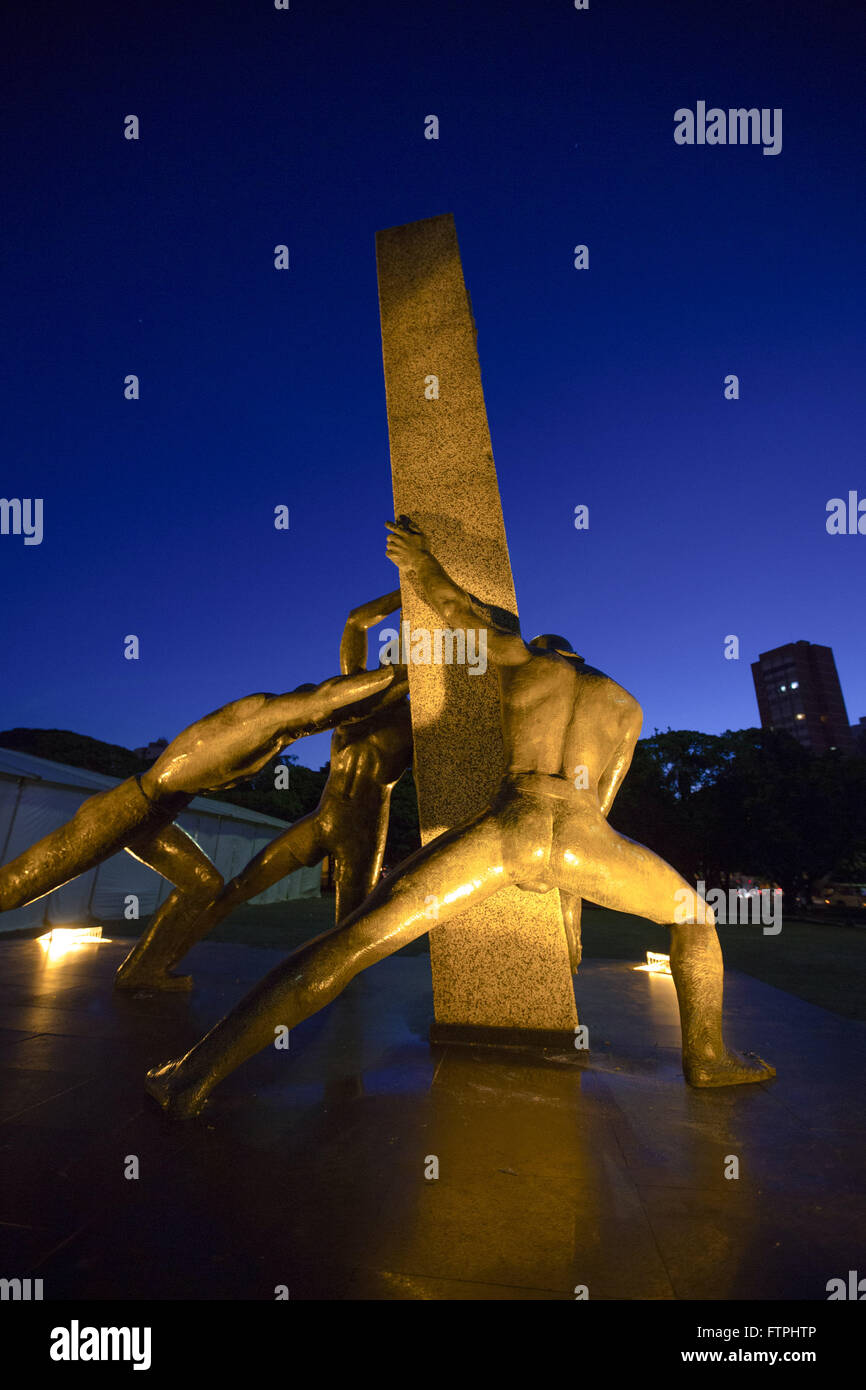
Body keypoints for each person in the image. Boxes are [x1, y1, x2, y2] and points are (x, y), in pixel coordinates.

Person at [145, 519, 774, 1115]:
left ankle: (192, 1075)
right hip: (583, 839)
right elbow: (601, 808)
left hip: (511, 826)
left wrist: (418, 564)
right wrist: (569, 913)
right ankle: (708, 1058)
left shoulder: (526, 663)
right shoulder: (627, 707)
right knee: (693, 917)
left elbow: (454, 611)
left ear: (546, 647)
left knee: (354, 941)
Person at [0, 667, 399, 989]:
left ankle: (143, 970)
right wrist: (405, 676)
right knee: (17, 887)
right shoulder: (262, 717)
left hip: (154, 818)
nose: (328, 723)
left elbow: (325, 704)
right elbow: (326, 700)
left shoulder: (268, 723)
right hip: (122, 810)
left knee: (204, 884)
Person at [115, 591, 411, 989]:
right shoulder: (352, 696)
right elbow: (357, 621)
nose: (394, 660)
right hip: (323, 820)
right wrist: (407, 592)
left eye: (405, 656)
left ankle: (338, 1003)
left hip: (365, 835)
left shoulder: (416, 725)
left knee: (348, 930)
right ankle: (148, 967)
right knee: (238, 887)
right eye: (391, 653)